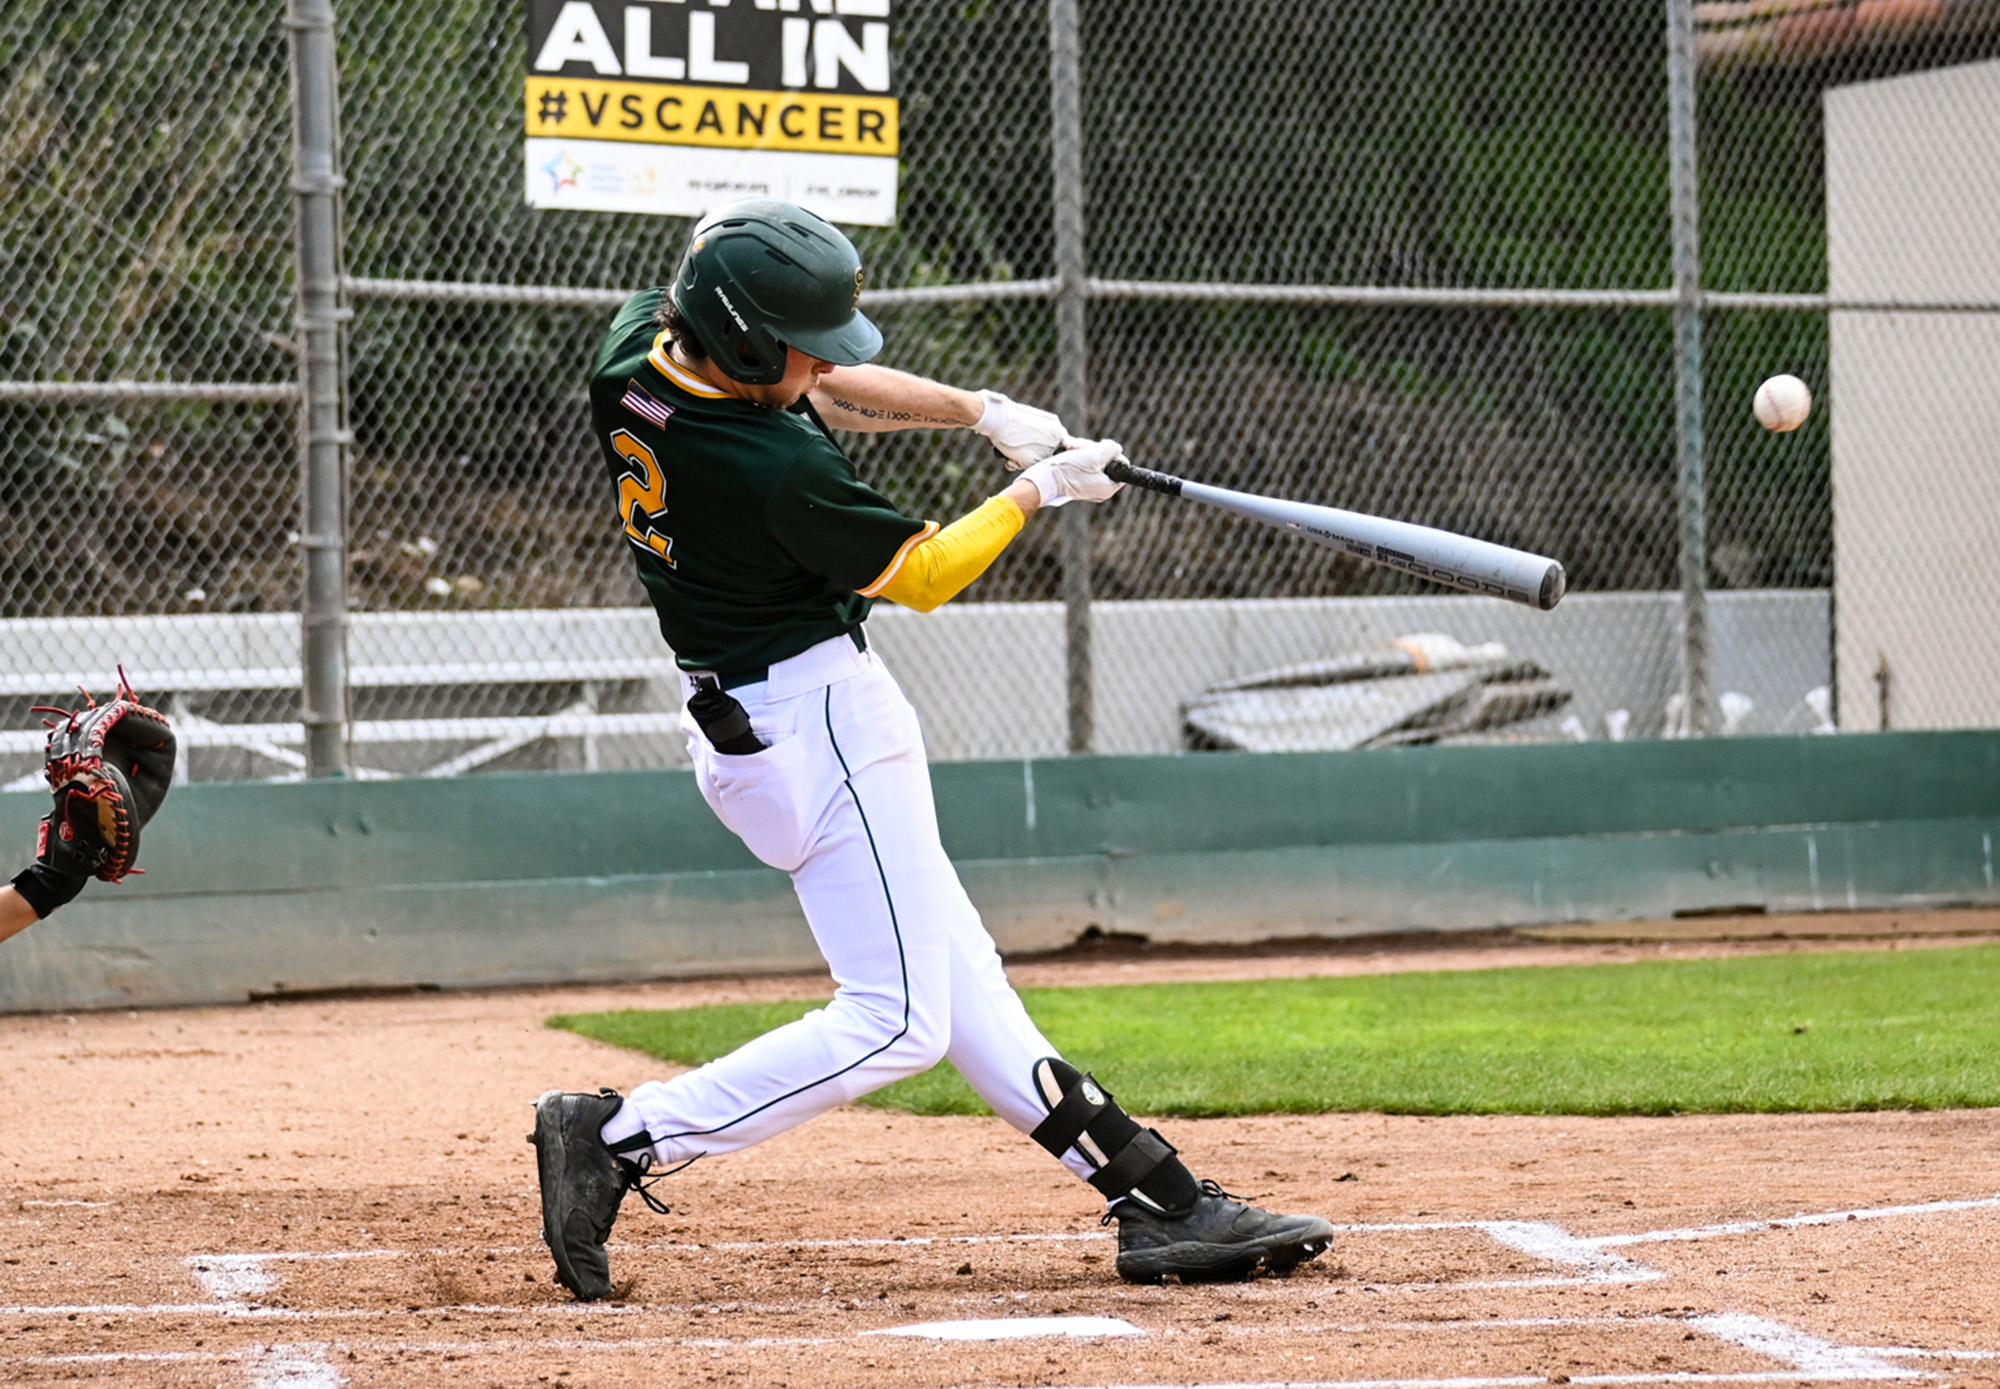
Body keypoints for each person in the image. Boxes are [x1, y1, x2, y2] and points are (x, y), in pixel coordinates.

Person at [531, 198, 1334, 1300]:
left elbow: (824, 383)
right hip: (819, 727)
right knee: (899, 1022)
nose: (821, 369)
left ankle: (1157, 1198)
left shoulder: (640, 348)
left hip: (751, 724)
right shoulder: (767, 466)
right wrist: (1039, 489)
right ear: (749, 342)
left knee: (957, 985)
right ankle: (624, 1138)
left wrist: (980, 409)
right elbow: (921, 576)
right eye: (801, 350)